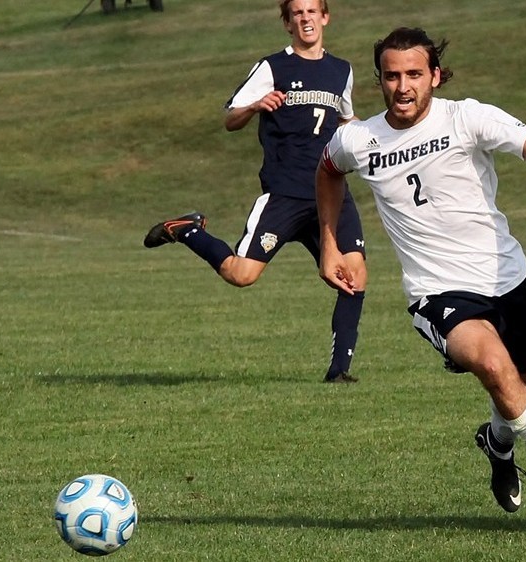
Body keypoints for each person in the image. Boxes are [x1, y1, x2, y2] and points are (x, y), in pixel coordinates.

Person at [315, 26, 526, 528]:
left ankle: (497, 445)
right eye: (392, 76)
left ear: (435, 74)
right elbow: (327, 170)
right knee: (497, 370)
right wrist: (329, 244)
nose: (403, 86)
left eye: (414, 73)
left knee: (516, 391)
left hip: (507, 277)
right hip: (438, 293)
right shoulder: (358, 138)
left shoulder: (467, 117)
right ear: (380, 80)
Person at [143, 0, 367, 384]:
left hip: (331, 193)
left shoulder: (341, 70)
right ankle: (187, 229)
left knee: (355, 276)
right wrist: (255, 105)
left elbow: (346, 119)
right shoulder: (272, 67)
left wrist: (380, 138)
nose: (305, 18)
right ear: (287, 23)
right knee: (241, 275)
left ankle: (338, 372)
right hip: (285, 194)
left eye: (312, 11)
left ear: (325, 17)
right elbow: (231, 116)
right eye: (297, 13)